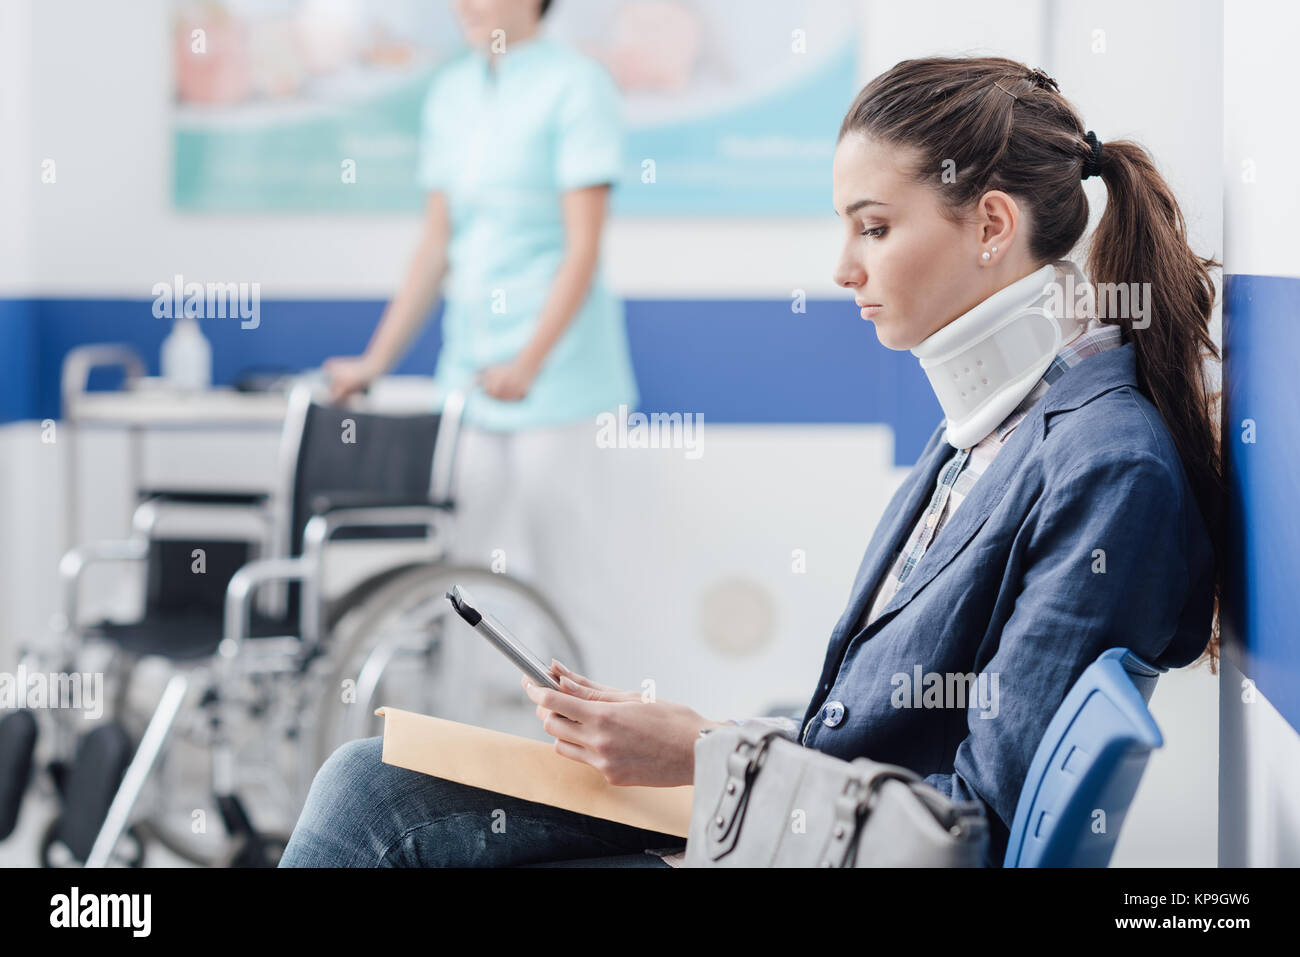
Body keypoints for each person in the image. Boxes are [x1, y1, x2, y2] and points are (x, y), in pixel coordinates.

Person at [280, 56, 1222, 868]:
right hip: (797, 825)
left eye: (874, 227)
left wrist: (705, 752)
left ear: (989, 227)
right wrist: (706, 745)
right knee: (375, 779)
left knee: (371, 809)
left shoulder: (1104, 467)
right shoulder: (988, 429)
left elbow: (975, 828)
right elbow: (859, 734)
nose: (843, 269)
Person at [321, 0, 639, 661]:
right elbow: (435, 246)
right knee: (457, 578)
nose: (464, 5)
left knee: (565, 577)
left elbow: (583, 250)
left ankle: (602, 753)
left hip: (560, 378)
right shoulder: (451, 93)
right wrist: (375, 361)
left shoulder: (576, 85)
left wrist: (529, 361)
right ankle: (459, 749)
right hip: (468, 373)